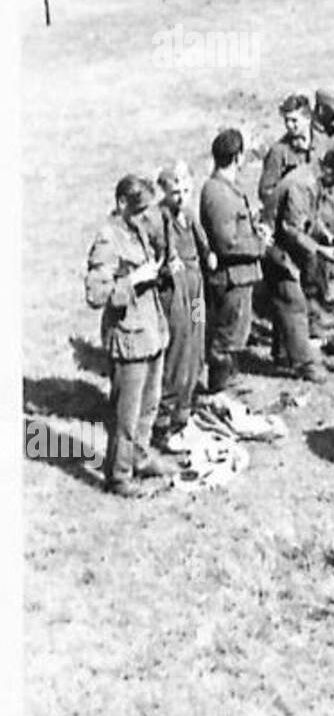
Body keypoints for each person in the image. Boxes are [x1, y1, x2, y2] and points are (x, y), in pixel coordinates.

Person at [84, 175, 173, 497]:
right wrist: (134, 279)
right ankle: (119, 476)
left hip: (150, 332)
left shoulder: (136, 229)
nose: (145, 217)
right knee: (127, 414)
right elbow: (96, 295)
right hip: (129, 338)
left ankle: (140, 456)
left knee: (149, 406)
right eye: (139, 211)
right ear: (122, 204)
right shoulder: (108, 239)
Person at [264, 149, 334, 379]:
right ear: (328, 170)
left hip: (285, 246)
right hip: (276, 249)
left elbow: (310, 215)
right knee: (293, 303)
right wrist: (320, 249)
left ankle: (281, 353)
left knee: (284, 301)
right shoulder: (303, 184)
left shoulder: (313, 178)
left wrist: (325, 234)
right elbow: (290, 229)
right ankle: (305, 364)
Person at [151, 161, 215, 453]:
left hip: (196, 288)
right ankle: (164, 420)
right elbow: (158, 260)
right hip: (175, 292)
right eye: (175, 191)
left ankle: (185, 410)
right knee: (177, 347)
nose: (182, 197)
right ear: (164, 191)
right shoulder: (160, 218)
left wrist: (209, 256)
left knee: (196, 343)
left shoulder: (189, 215)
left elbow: (202, 243)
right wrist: (167, 267)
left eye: (187, 190)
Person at [200, 129, 267, 394]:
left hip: (241, 274)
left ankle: (230, 380)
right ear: (238, 157)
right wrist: (260, 245)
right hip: (231, 276)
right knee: (225, 336)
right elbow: (227, 242)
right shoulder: (218, 192)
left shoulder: (228, 187)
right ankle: (219, 389)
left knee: (236, 331)